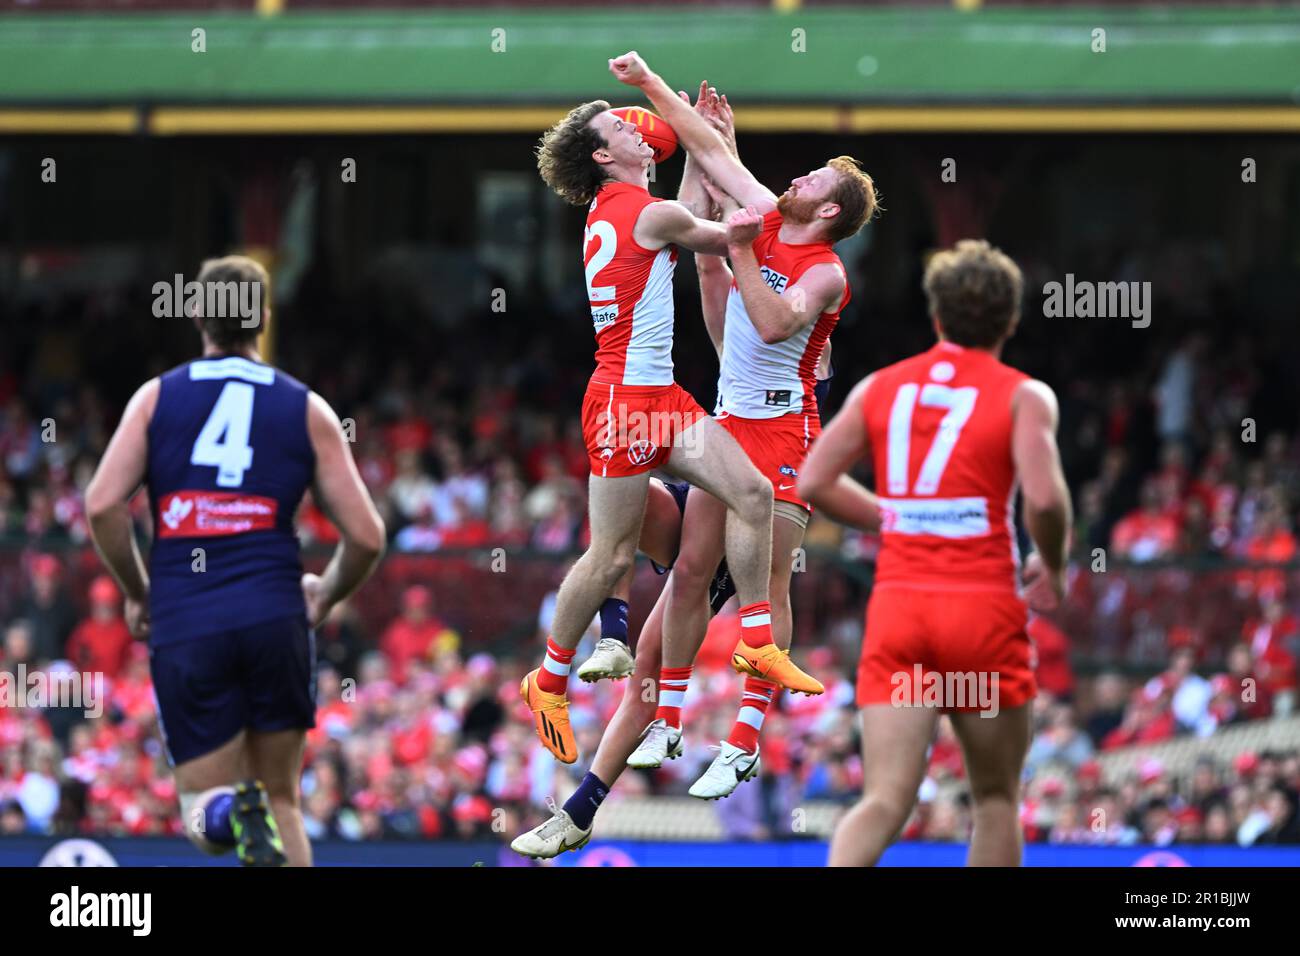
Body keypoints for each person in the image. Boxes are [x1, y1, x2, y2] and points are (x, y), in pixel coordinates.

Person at [522, 77, 817, 767]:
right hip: (625, 404)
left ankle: (756, 638)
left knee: (751, 493)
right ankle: (549, 678)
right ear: (603, 155)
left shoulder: (628, 208)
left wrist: (695, 148)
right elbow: (734, 231)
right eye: (620, 128)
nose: (633, 129)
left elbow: (682, 214)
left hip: (662, 397)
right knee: (612, 557)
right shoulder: (641, 212)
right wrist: (729, 162)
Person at [604, 53, 879, 791]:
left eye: (813, 180)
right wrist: (649, 84)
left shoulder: (827, 273)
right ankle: (667, 723)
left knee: (771, 586)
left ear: (827, 212)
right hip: (728, 419)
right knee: (690, 572)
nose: (797, 180)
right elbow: (708, 148)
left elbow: (770, 315)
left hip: (785, 433)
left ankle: (747, 737)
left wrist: (740, 249)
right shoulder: (765, 213)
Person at [85, 255, 385, 866]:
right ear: (263, 319)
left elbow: (101, 506)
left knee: (203, 804)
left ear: (196, 314)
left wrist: (140, 590)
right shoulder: (307, 408)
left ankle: (227, 812)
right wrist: (325, 592)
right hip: (275, 613)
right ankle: (252, 812)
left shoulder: (155, 399)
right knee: (283, 799)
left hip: (188, 619)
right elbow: (368, 537)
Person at [798, 239, 1073, 866]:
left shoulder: (881, 388)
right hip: (982, 611)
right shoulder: (1024, 395)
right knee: (996, 798)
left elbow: (813, 481)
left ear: (937, 316)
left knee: (884, 802)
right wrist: (1051, 565)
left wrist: (895, 517)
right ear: (1009, 320)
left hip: (902, 613)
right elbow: (1049, 502)